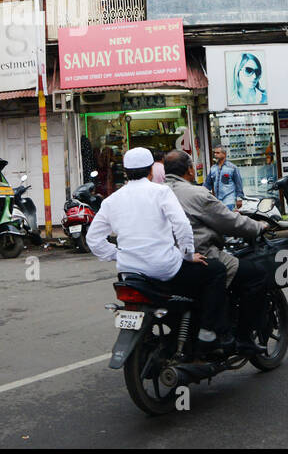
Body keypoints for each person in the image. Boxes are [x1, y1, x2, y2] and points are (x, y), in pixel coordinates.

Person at [86, 146, 233, 354]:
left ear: (126, 172)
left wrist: (118, 255)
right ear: (151, 171)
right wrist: (188, 254)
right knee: (216, 270)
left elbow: (93, 239)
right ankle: (208, 333)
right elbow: (182, 226)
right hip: (165, 270)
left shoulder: (112, 201)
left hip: (130, 273)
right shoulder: (161, 192)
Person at [163, 150, 269, 355]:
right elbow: (230, 221)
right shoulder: (197, 194)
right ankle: (243, 338)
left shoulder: (156, 192)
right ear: (190, 171)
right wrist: (258, 227)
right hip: (200, 256)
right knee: (256, 275)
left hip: (161, 262)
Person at [204, 145, 244, 211]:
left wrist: (239, 198)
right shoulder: (213, 168)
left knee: (229, 219)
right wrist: (202, 193)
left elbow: (238, 184)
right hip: (218, 201)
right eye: (214, 153)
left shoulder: (232, 167)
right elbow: (207, 184)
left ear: (224, 154)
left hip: (229, 200)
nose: (215, 154)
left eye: (218, 153)